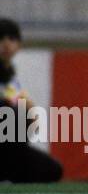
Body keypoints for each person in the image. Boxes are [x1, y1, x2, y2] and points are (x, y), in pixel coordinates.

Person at [0, 19, 64, 184]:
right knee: (11, 113)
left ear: (19, 45)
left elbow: (33, 116)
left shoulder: (11, 80)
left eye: (11, 39)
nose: (6, 44)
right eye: (0, 39)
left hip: (9, 146)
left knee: (53, 169)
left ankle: (8, 173)